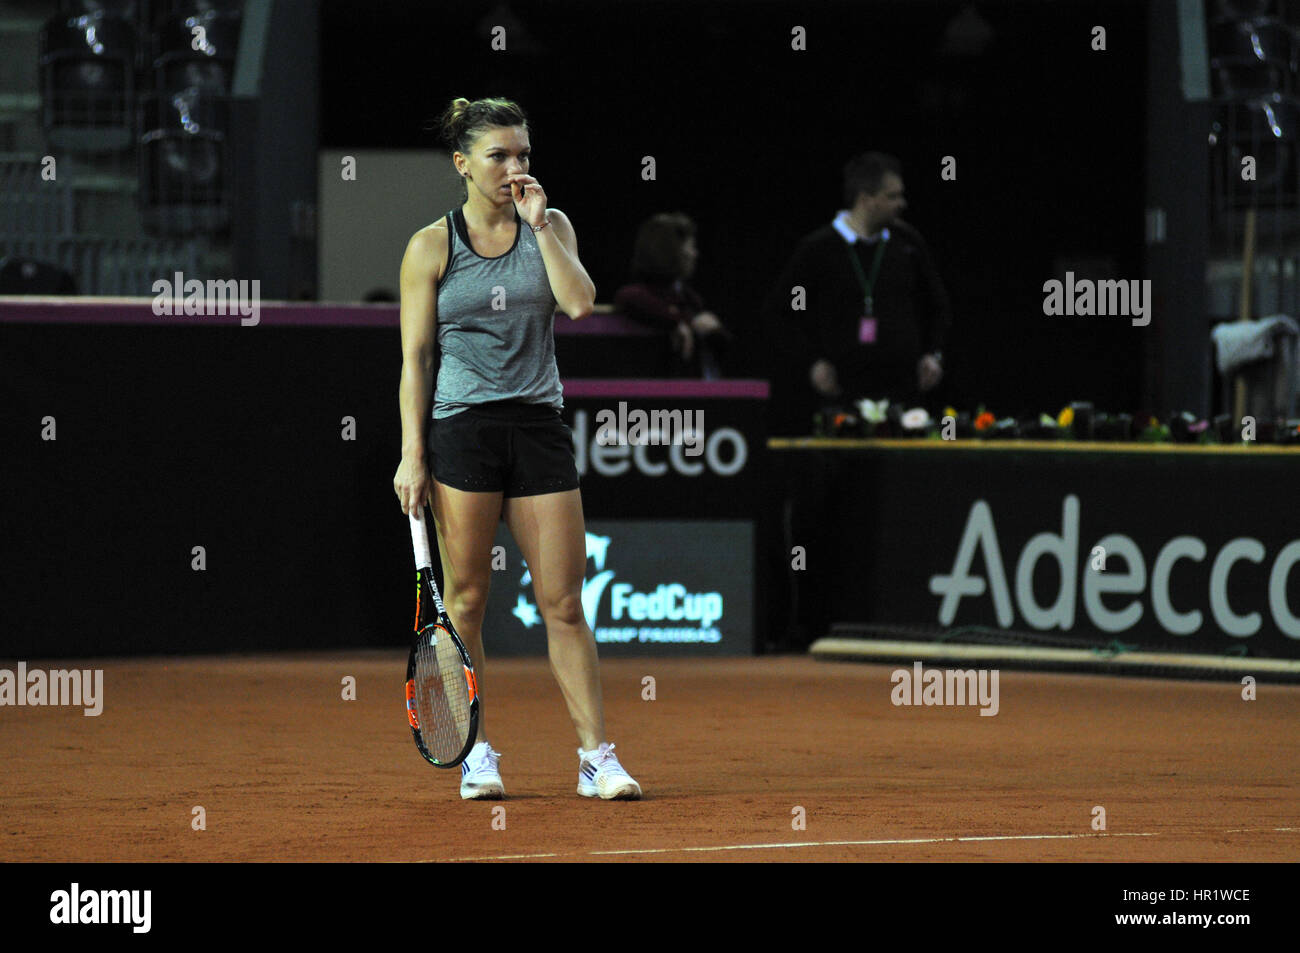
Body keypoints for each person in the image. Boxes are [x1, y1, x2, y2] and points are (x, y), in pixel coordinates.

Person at [392, 96, 641, 801]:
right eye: (497, 155)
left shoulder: (550, 224)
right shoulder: (430, 246)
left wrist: (540, 227)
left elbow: (581, 304)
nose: (513, 168)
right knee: (466, 599)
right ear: (462, 163)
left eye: (522, 154)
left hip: (538, 428)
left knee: (564, 602)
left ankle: (596, 757)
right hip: (462, 430)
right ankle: (476, 753)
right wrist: (413, 454)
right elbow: (416, 359)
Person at [765, 151, 952, 433]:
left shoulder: (908, 243)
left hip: (904, 395)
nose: (902, 204)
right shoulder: (818, 249)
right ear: (865, 199)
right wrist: (811, 363)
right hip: (842, 396)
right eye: (892, 196)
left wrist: (933, 353)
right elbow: (780, 313)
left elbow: (938, 305)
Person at [613, 212, 731, 378]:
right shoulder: (641, 295)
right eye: (691, 246)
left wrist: (711, 330)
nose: (695, 254)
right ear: (670, 250)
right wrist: (683, 321)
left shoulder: (689, 298)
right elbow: (626, 297)